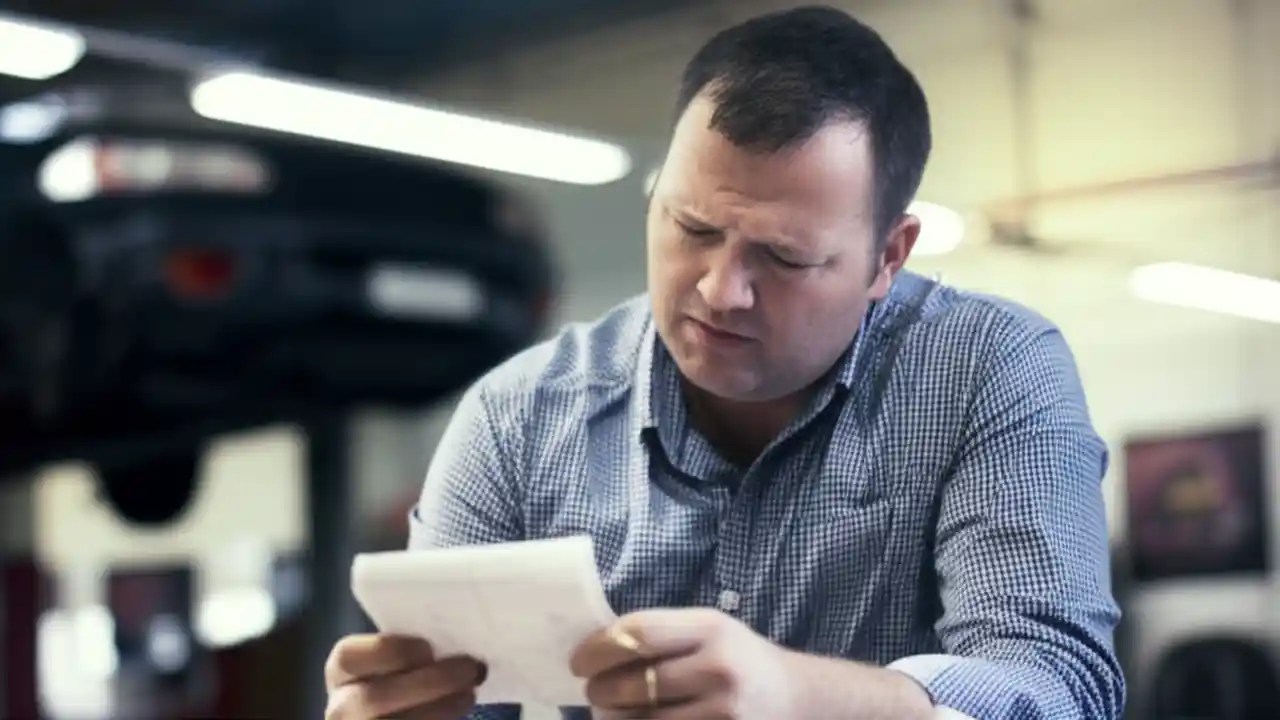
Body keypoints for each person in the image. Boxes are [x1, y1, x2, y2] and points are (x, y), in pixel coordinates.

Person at [324, 5, 1125, 719]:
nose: (720, 289)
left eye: (782, 256)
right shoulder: (517, 420)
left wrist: (797, 699)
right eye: (693, 229)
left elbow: (1057, 687)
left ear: (888, 255)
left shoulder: (990, 372)